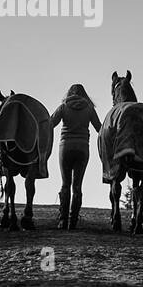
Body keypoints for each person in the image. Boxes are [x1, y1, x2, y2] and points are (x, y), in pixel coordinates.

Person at [48, 84, 101, 230]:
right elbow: (99, 128)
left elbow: (50, 123)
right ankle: (73, 222)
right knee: (77, 186)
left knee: (66, 183)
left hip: (65, 147)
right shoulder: (89, 108)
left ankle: (63, 220)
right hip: (83, 148)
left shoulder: (63, 107)